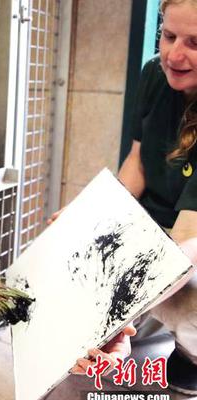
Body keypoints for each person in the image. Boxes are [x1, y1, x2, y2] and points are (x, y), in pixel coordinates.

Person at [49, 0, 197, 394]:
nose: (174, 54)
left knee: (190, 300)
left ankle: (187, 365)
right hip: (157, 222)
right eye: (168, 36)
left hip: (192, 235)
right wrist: (89, 214)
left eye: (195, 43)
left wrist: (118, 312)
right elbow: (138, 165)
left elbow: (185, 243)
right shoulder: (154, 74)